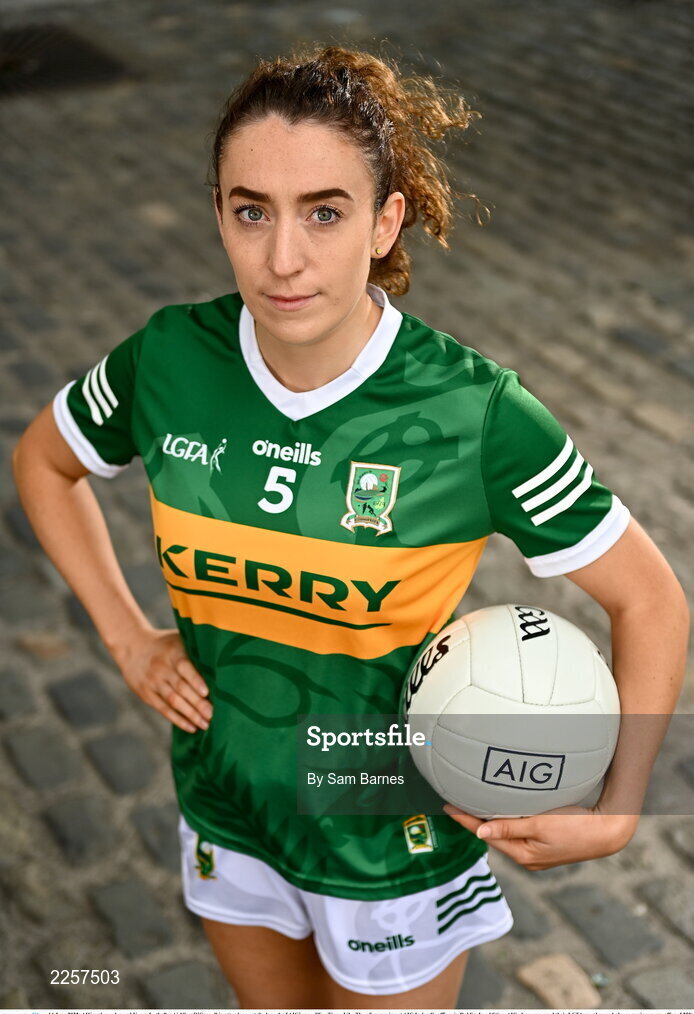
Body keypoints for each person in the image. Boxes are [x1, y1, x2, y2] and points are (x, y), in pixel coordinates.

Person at [12, 44, 689, 1008]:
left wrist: (619, 808)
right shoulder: (169, 360)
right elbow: (44, 461)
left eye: (324, 212)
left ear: (385, 222)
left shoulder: (474, 412)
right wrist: (126, 637)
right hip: (228, 803)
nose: (283, 257)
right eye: (252, 211)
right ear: (219, 214)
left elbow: (651, 596)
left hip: (394, 837)